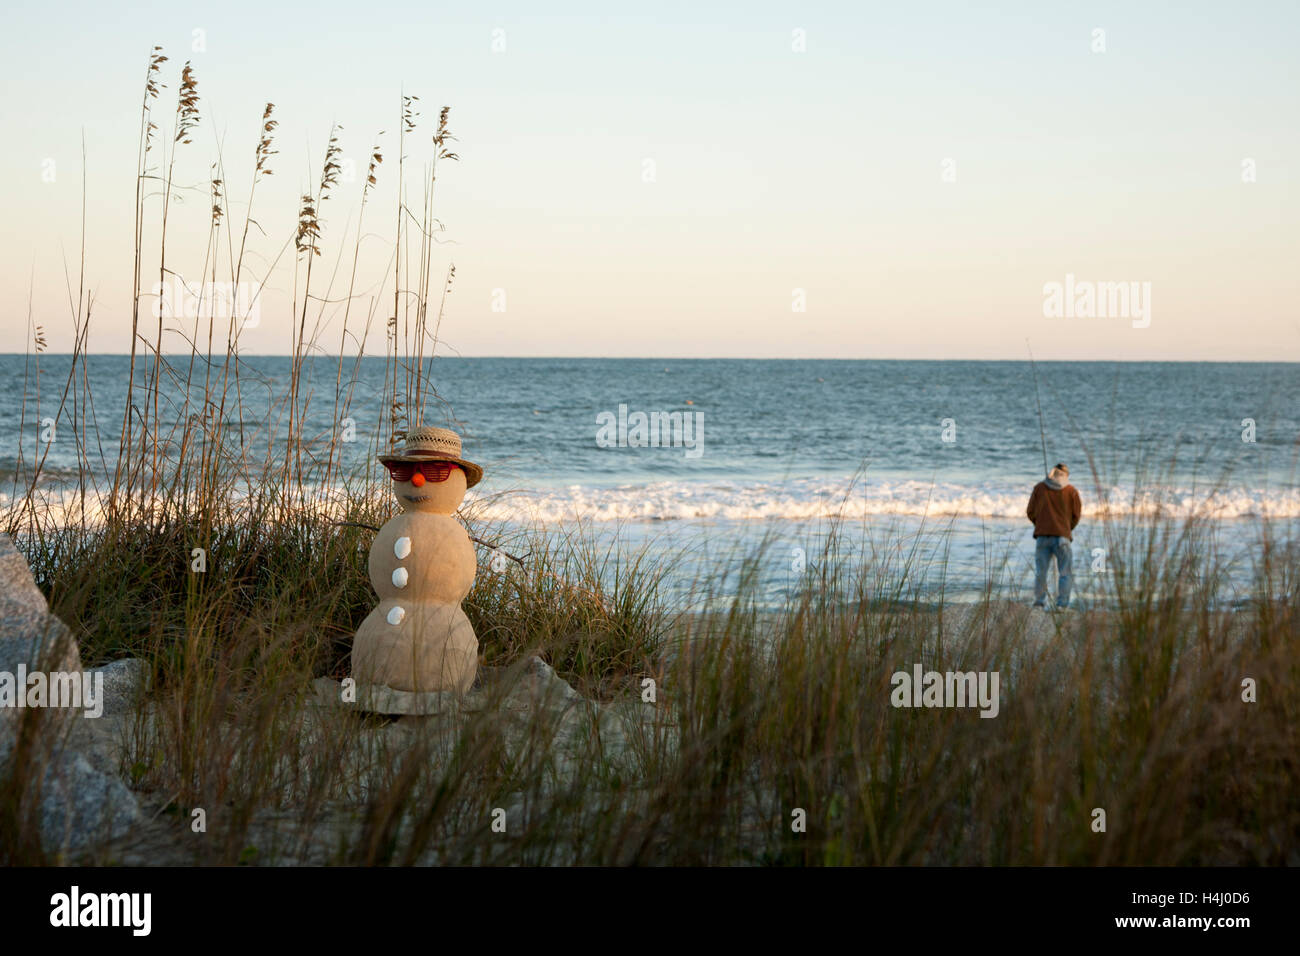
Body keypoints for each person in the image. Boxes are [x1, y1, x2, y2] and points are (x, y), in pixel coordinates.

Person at [1026, 462, 1082, 610]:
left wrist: (1040, 524)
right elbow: (1076, 515)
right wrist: (1067, 528)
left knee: (1041, 572)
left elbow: (1030, 511)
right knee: (1065, 572)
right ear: (1066, 475)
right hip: (1062, 537)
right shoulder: (1071, 491)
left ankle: (1039, 603)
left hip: (1042, 536)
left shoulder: (1039, 488)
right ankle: (1062, 605)